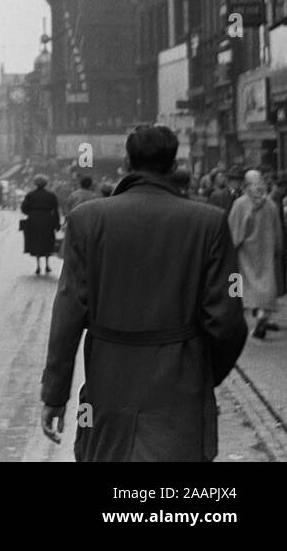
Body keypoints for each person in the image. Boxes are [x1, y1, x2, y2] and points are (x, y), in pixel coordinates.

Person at [40, 124, 247, 461]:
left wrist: (55, 395)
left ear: (127, 161)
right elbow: (229, 320)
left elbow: (66, 316)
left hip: (107, 383)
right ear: (173, 165)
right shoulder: (209, 222)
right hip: (180, 385)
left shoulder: (86, 221)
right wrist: (202, 374)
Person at [228, 169, 285, 340]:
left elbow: (233, 230)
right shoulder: (271, 205)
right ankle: (262, 314)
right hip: (266, 251)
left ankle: (234, 315)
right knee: (266, 284)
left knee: (237, 283)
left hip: (245, 253)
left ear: (246, 184)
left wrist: (229, 249)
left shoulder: (240, 204)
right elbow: (278, 231)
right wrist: (278, 250)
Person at [20, 175, 61, 275]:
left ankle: (38, 266)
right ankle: (47, 265)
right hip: (47, 219)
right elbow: (55, 210)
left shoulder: (30, 195)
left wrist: (30, 213)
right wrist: (57, 223)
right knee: (47, 241)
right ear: (46, 183)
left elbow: (24, 208)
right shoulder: (51, 195)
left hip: (34, 220)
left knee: (36, 241)